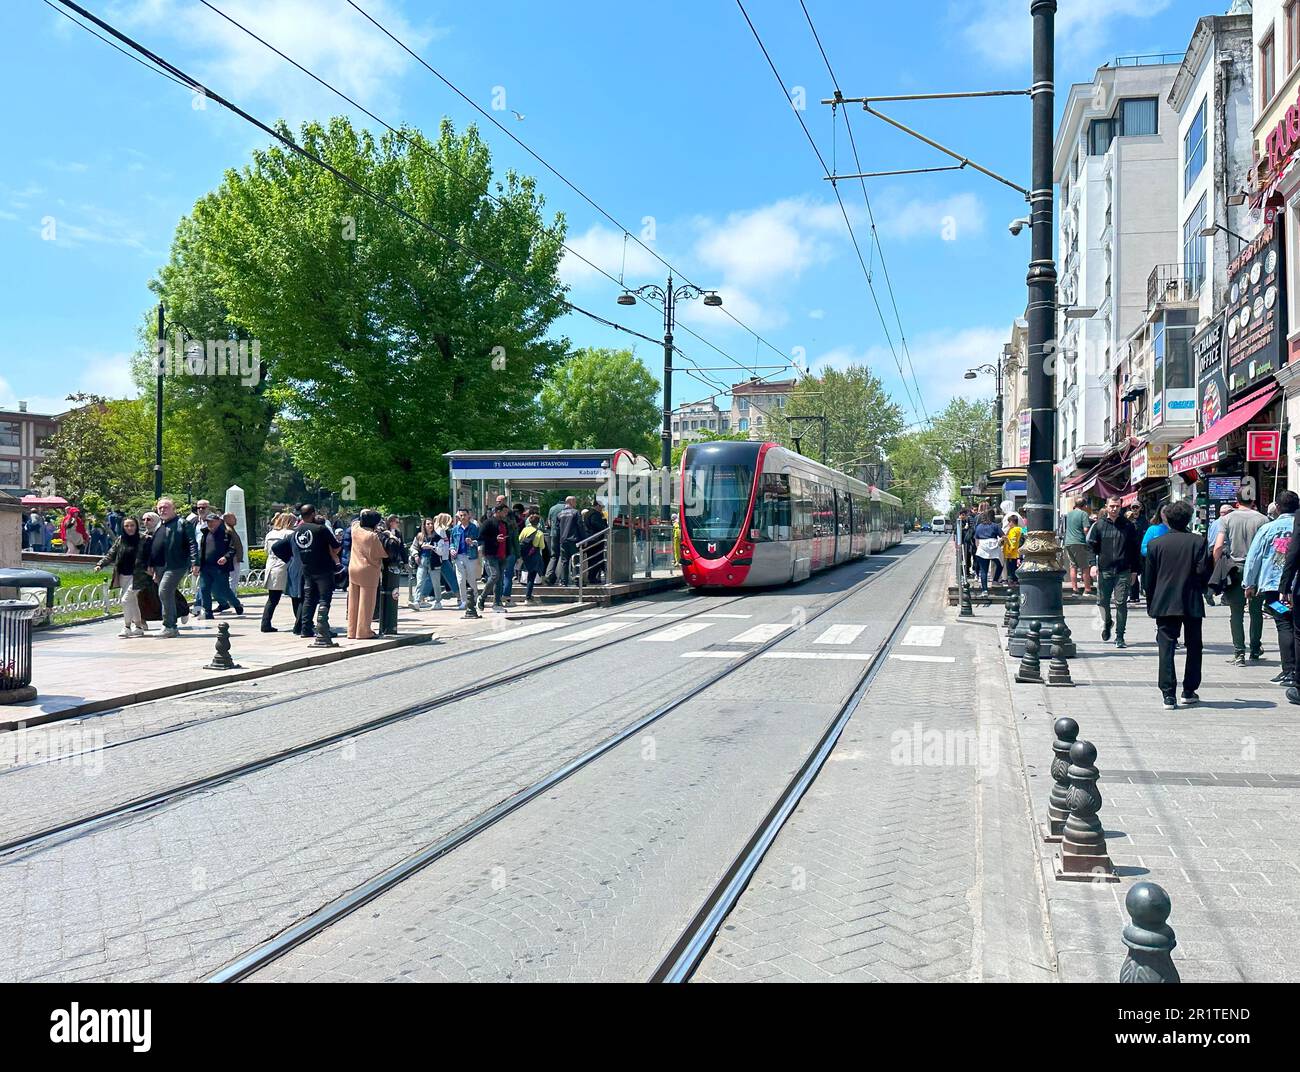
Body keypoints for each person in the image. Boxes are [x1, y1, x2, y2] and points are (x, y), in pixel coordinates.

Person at [1144, 500, 1212, 709]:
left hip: (1164, 601)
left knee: (1166, 647)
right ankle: (1189, 689)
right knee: (1194, 646)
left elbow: (1149, 580)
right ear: (1188, 519)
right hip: (1190, 600)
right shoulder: (1198, 542)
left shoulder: (1156, 544)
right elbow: (1203, 572)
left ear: (1166, 518)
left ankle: (1168, 694)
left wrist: (1151, 603)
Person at [1243, 490, 1299, 688]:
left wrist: (1249, 584)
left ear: (1277, 507)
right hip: (1296, 587)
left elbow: (1254, 557)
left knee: (1284, 623)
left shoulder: (1269, 528)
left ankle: (1289, 670)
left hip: (1274, 587)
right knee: (1295, 624)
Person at [1216, 490, 1269, 666]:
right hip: (1257, 570)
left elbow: (1218, 546)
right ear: (1253, 500)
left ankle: (1239, 652)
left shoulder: (1227, 519)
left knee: (1236, 613)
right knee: (1256, 612)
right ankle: (1255, 648)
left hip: (1235, 569)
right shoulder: (1263, 519)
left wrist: (1217, 566)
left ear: (1236, 501)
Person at [1087, 495, 1141, 648]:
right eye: (1111, 506)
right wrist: (1092, 564)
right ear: (1106, 506)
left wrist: (1134, 571)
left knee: (1121, 603)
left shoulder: (1128, 526)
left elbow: (1134, 550)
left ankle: (1120, 636)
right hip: (1104, 570)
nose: (1114, 509)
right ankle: (1108, 622)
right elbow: (1091, 547)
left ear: (1121, 506)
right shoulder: (1099, 525)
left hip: (1123, 570)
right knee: (1102, 602)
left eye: (1117, 506)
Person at [146, 498, 198, 638]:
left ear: (173, 509)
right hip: (160, 566)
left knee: (164, 591)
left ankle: (170, 626)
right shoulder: (159, 525)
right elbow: (155, 546)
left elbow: (192, 543)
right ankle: (172, 621)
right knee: (166, 593)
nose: (162, 510)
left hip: (176, 564)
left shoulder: (182, 523)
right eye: (160, 508)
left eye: (166, 507)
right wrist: (151, 564)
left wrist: (195, 562)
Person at [293, 503, 341, 643]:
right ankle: (323, 627)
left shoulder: (297, 530)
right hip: (323, 567)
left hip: (307, 568)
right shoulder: (320, 529)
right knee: (324, 598)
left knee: (309, 599)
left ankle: (305, 628)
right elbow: (336, 547)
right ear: (313, 513)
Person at [97, 515, 151, 638]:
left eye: (132, 525)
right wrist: (101, 565)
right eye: (126, 526)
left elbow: (151, 556)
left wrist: (151, 568)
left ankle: (127, 627)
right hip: (123, 575)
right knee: (132, 601)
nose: (129, 528)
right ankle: (138, 626)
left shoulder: (145, 539)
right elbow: (111, 553)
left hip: (138, 575)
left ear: (137, 526)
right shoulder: (121, 540)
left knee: (125, 600)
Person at [196, 512, 245, 619]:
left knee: (224, 589)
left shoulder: (226, 533)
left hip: (220, 567)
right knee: (204, 589)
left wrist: (225, 557)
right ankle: (208, 612)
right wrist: (197, 564)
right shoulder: (205, 533)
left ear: (218, 521)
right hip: (206, 567)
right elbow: (201, 551)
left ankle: (236, 604)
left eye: (212, 521)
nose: (210, 524)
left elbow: (232, 549)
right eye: (208, 522)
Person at [346, 510, 385, 640]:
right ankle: (364, 631)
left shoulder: (355, 529)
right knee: (366, 603)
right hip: (368, 570)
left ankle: (351, 631)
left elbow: (356, 521)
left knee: (354, 601)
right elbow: (382, 553)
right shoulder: (372, 536)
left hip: (353, 568)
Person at [260, 512, 296, 632]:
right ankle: (300, 623)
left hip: (271, 566)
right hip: (285, 566)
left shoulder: (270, 534)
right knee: (295, 596)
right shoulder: (290, 533)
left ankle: (265, 623)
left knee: (273, 598)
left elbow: (266, 550)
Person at [478, 504, 514, 612]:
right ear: (497, 511)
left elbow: (508, 538)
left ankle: (497, 602)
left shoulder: (504, 523)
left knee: (500, 579)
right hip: (491, 554)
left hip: (503, 554)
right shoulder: (488, 522)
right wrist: (495, 539)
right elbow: (481, 537)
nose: (505, 514)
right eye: (504, 512)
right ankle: (482, 598)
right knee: (495, 575)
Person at [449, 508, 481, 618]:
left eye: (464, 515)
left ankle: (475, 599)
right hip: (458, 556)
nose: (462, 517)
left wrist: (473, 542)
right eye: (460, 515)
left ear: (468, 516)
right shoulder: (455, 529)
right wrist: (452, 549)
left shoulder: (474, 528)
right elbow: (452, 542)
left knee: (471, 578)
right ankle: (464, 601)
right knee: (460, 579)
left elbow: (480, 540)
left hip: (470, 556)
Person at [377, 515, 405, 635]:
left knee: (393, 590)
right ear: (390, 522)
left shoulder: (398, 533)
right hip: (386, 563)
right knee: (386, 590)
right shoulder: (384, 534)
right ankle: (384, 622)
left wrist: (405, 561)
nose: (397, 524)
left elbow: (401, 547)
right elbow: (383, 548)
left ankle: (390, 623)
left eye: (398, 522)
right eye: (395, 522)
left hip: (395, 562)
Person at [1203, 504, 1233, 607]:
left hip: (1211, 549)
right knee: (1225, 574)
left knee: (1218, 574)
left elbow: (1209, 538)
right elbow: (1221, 542)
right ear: (1228, 513)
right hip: (1221, 549)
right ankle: (1216, 594)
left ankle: (1212, 593)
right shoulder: (1226, 522)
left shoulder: (1214, 523)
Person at [552, 496, 584, 588]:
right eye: (575, 501)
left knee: (564, 562)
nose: (576, 503)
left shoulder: (559, 514)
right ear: (571, 501)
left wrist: (559, 541)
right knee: (577, 561)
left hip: (563, 541)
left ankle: (563, 581)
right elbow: (580, 526)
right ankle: (578, 581)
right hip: (574, 540)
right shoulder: (576, 512)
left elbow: (557, 529)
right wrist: (584, 539)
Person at [1062, 497, 1093, 595]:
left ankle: (1075, 589)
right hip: (1079, 542)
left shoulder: (1069, 514)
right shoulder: (1083, 514)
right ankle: (1087, 589)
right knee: (1085, 566)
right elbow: (1086, 529)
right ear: (1085, 505)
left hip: (1068, 542)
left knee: (1073, 566)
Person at [410, 518, 440, 610]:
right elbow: (413, 547)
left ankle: (438, 601)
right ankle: (417, 601)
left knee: (436, 583)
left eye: (431, 524)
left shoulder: (437, 537)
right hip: (422, 561)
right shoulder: (420, 536)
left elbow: (442, 550)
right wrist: (415, 555)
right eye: (428, 524)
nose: (430, 525)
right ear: (424, 525)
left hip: (434, 562)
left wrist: (431, 547)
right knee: (420, 582)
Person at [972, 510, 1004, 593]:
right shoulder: (995, 526)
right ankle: (995, 580)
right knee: (1000, 565)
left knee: (984, 571)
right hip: (994, 550)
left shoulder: (978, 527)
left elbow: (976, 539)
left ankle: (984, 590)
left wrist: (978, 547)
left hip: (982, 549)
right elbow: (1003, 536)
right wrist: (1003, 543)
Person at [518, 510, 546, 603]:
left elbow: (520, 540)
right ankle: (528, 596)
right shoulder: (539, 533)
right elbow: (542, 546)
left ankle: (527, 593)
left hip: (525, 555)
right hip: (534, 556)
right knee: (531, 577)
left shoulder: (525, 530)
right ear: (538, 522)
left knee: (525, 572)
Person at [583, 500, 608, 584]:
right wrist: (604, 527)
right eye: (601, 507)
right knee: (598, 559)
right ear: (597, 506)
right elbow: (596, 523)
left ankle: (593, 576)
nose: (602, 509)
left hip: (589, 539)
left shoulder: (587, 513)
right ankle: (592, 577)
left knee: (592, 559)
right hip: (596, 540)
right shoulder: (595, 514)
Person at [544, 497, 568, 584]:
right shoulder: (566, 508)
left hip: (553, 534)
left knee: (553, 556)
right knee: (563, 556)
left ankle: (549, 575)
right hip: (564, 535)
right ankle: (562, 578)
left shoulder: (552, 508)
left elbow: (549, 522)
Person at [1002, 513, 1024, 586]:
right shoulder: (1021, 529)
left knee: (1011, 568)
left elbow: (1013, 542)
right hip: (1018, 553)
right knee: (1015, 567)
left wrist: (1009, 549)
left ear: (1012, 522)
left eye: (1009, 522)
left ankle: (1013, 581)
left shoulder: (1013, 530)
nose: (1008, 524)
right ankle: (1015, 580)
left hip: (1011, 554)